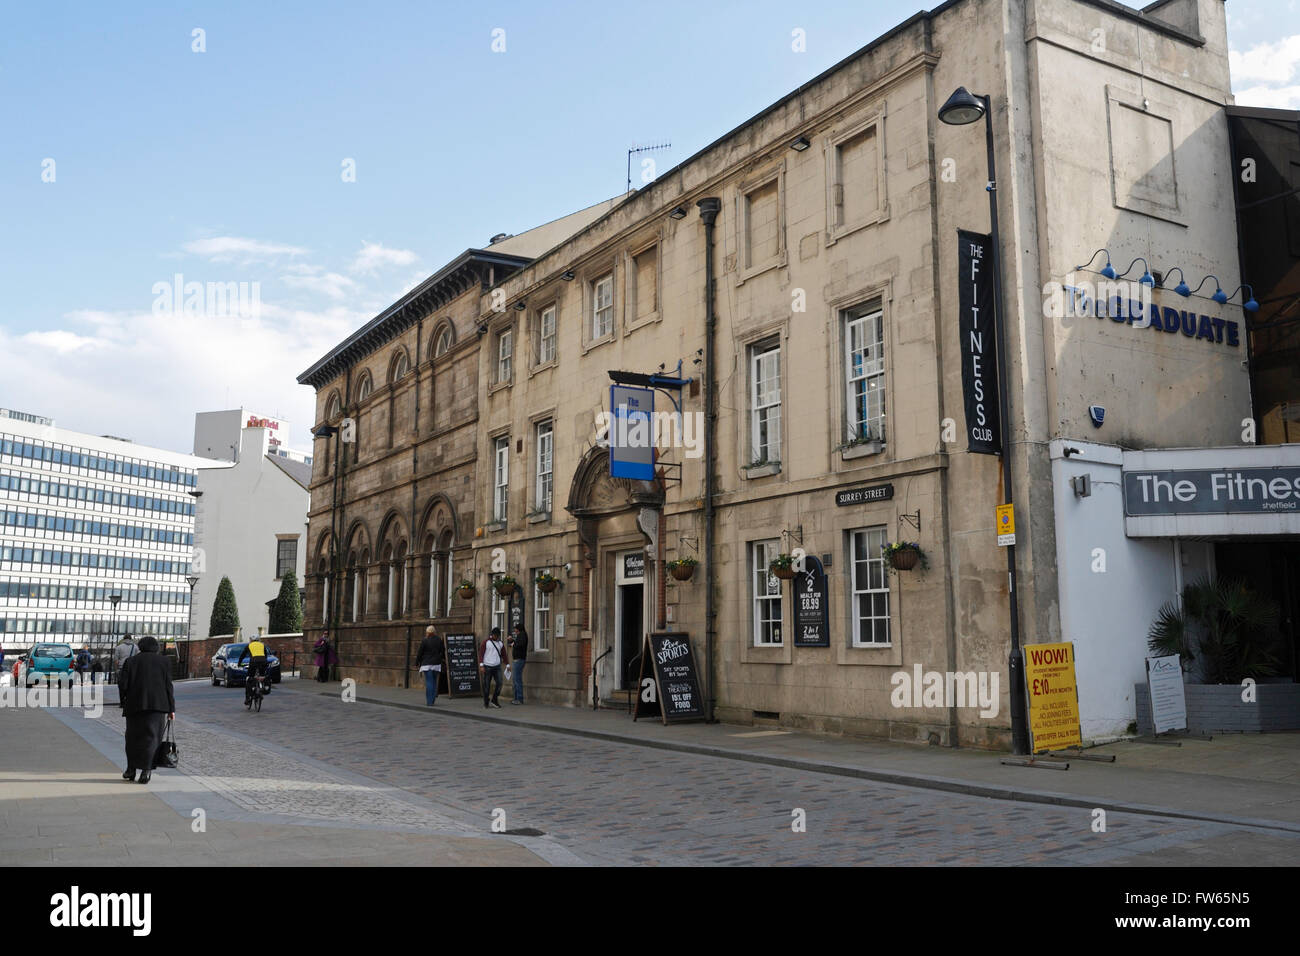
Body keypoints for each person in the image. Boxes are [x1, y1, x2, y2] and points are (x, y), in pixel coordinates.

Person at [116, 635, 175, 784]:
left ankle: (131, 769)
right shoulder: (164, 662)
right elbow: (169, 686)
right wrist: (171, 708)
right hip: (158, 707)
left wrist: (123, 700)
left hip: (134, 705)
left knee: (133, 738)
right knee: (152, 739)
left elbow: (122, 684)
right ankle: (146, 771)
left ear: (140, 646)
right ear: (156, 647)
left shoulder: (131, 661)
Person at [415, 625, 445, 706]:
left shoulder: (425, 640)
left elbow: (420, 652)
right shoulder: (439, 640)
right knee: (434, 682)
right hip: (436, 664)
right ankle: (432, 699)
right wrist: (441, 658)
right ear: (434, 632)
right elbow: (442, 651)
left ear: (427, 632)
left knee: (429, 682)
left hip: (427, 664)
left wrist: (417, 662)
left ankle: (429, 701)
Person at [479, 627, 508, 709]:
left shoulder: (500, 643)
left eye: (497, 636)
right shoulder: (486, 642)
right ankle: (486, 701)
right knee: (487, 685)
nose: (496, 637)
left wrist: (507, 664)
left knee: (499, 683)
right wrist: (481, 665)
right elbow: (481, 653)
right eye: (495, 635)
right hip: (487, 666)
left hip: (497, 666)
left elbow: (504, 654)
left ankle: (494, 699)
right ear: (492, 635)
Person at [238, 637, 269, 704]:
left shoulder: (249, 645)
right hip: (263, 662)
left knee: (249, 678)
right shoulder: (262, 645)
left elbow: (243, 655)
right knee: (262, 676)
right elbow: (266, 654)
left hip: (254, 662)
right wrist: (265, 662)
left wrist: (239, 663)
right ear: (258, 640)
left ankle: (247, 698)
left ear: (251, 640)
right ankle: (262, 689)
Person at [509, 624, 528, 704]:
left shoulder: (522, 635)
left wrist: (513, 643)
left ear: (519, 629)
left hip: (519, 660)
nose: (515, 631)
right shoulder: (521, 635)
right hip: (517, 660)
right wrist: (513, 641)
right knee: (515, 680)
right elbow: (518, 644)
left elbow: (521, 645)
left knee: (517, 680)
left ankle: (519, 699)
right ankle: (516, 698)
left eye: (516, 629)